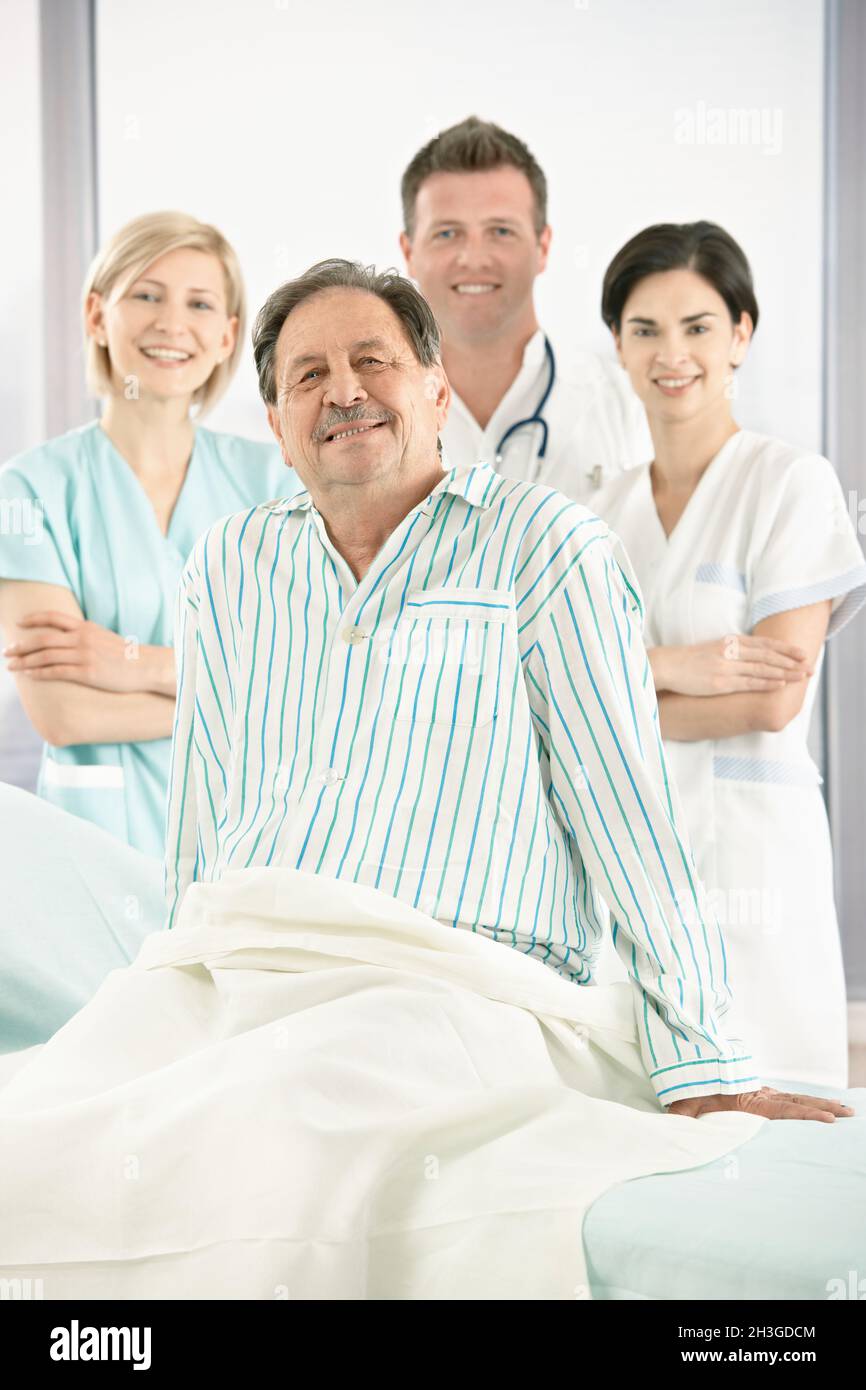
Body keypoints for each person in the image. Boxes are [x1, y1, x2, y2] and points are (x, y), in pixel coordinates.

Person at [164, 255, 851, 1124]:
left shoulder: (547, 547)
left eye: (373, 362)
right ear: (275, 419)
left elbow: (626, 815)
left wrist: (704, 1063)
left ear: (437, 392)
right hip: (246, 969)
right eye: (310, 375)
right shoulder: (229, 564)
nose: (343, 392)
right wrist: (174, 991)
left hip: (450, 980)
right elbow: (197, 815)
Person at [591, 220, 866, 1088]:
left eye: (698, 326)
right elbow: (554, 696)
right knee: (644, 1117)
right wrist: (676, 667)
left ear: (741, 334)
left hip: (757, 859)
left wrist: (623, 689)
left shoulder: (790, 484)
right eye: (646, 329)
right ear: (619, 347)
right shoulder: (600, 512)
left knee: (782, 1104)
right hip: (631, 865)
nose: (672, 354)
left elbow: (772, 699)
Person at [0, 211, 299, 857]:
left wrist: (129, 663)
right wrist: (241, 701)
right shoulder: (28, 492)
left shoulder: (277, 487)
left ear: (225, 337)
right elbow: (64, 715)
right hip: (91, 851)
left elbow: (314, 684)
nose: (171, 324)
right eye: (146, 295)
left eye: (198, 303)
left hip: (250, 849)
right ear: (95, 315)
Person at [398, 116, 652, 501]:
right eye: (447, 233)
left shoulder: (626, 407)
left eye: (501, 231)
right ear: (409, 252)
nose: (473, 258)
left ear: (543, 247)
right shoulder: (373, 412)